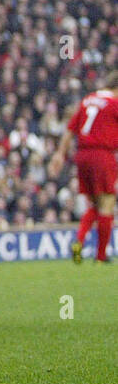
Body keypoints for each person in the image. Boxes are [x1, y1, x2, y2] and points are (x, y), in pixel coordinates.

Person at [48, 71, 118, 264]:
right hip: (102, 155)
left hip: (83, 155)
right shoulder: (114, 104)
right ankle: (101, 256)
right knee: (107, 204)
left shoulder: (87, 101)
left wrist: (60, 154)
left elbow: (70, 130)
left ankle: (78, 243)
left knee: (95, 205)